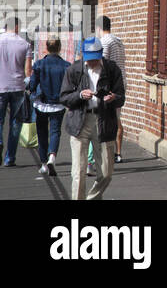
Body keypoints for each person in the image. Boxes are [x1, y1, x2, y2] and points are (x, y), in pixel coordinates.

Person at [59, 37, 125, 199]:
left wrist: (113, 98)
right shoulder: (74, 70)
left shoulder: (111, 69)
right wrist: (80, 95)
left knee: (106, 173)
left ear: (101, 54)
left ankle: (92, 197)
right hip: (80, 122)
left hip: (104, 121)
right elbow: (64, 97)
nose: (92, 62)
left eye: (95, 58)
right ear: (83, 55)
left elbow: (121, 97)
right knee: (79, 172)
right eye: (89, 59)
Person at [29, 37, 70, 176]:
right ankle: (52, 156)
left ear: (46, 48)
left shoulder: (39, 64)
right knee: (55, 131)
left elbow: (32, 84)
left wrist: (33, 92)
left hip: (41, 103)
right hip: (58, 104)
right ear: (59, 48)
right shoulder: (66, 66)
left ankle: (43, 163)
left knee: (42, 133)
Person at [0, 16, 33, 167]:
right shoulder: (25, 44)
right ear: (17, 27)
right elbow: (28, 71)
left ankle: (0, 142)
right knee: (15, 122)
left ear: (6, 27)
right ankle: (10, 157)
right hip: (18, 87)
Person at [98, 16, 126, 163]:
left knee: (106, 119)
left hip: (109, 83)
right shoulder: (119, 42)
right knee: (117, 117)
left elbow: (102, 64)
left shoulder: (104, 42)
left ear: (98, 28)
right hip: (121, 82)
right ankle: (118, 152)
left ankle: (107, 152)